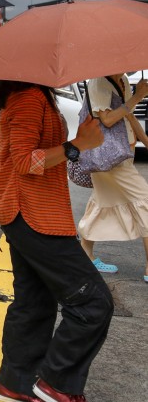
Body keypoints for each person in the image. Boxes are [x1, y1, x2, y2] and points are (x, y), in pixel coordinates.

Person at [0, 82, 110, 402]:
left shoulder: (32, 96)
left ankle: (15, 383)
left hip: (27, 211)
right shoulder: (29, 98)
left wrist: (78, 139)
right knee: (93, 302)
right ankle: (56, 383)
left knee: (35, 301)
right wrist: (77, 144)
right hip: (33, 213)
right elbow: (25, 161)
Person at [77, 73, 148, 279]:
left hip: (123, 151)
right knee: (144, 201)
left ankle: (85, 256)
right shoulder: (98, 80)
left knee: (102, 201)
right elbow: (107, 119)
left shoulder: (123, 79)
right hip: (107, 156)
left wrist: (144, 139)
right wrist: (138, 96)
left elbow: (128, 115)